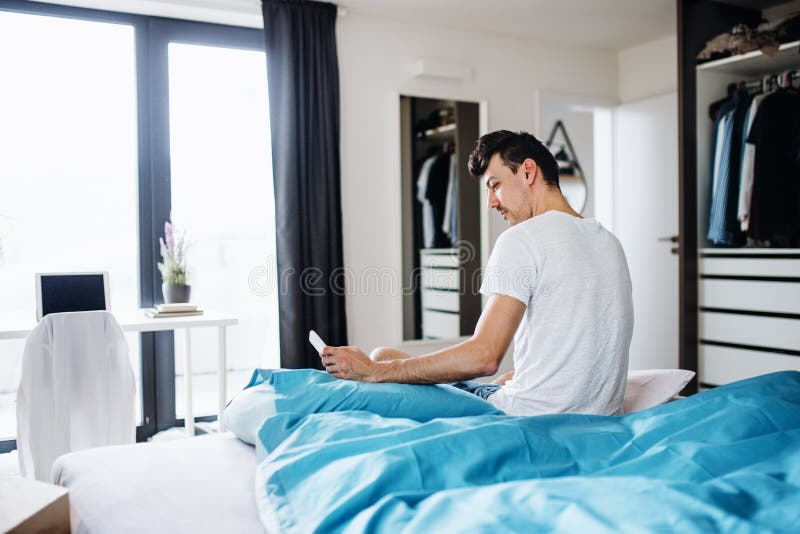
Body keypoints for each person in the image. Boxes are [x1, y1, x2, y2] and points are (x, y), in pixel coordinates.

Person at [320, 130, 633, 416]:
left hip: (528, 415)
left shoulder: (523, 239)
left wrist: (373, 371)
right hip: (599, 413)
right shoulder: (607, 240)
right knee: (388, 356)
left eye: (495, 185)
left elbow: (484, 357)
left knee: (382, 357)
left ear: (527, 171)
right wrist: (531, 375)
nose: (491, 203)